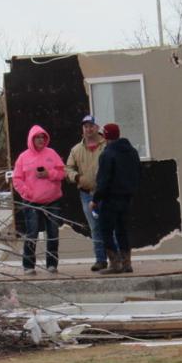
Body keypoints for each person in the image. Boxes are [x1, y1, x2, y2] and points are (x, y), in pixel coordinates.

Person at [12, 124, 66, 274]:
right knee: (32, 233)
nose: (41, 140)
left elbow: (62, 173)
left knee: (53, 233)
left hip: (52, 200)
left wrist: (49, 174)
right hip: (31, 202)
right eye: (38, 137)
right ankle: (28, 265)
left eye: (43, 137)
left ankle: (52, 264)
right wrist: (27, 193)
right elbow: (17, 179)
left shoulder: (52, 153)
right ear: (31, 139)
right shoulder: (23, 157)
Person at [91, 123, 140, 274]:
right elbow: (138, 173)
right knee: (122, 230)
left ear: (106, 136)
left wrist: (95, 199)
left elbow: (103, 180)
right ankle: (127, 263)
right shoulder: (132, 152)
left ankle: (115, 264)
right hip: (127, 198)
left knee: (106, 230)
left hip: (110, 199)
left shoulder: (107, 154)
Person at [64, 115, 110, 271]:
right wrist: (76, 177)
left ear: (97, 127)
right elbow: (68, 168)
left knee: (110, 225)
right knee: (95, 228)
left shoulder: (107, 146)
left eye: (91, 126)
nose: (88, 129)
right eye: (85, 126)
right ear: (82, 129)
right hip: (86, 194)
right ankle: (100, 260)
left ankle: (116, 259)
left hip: (106, 193)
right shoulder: (76, 150)